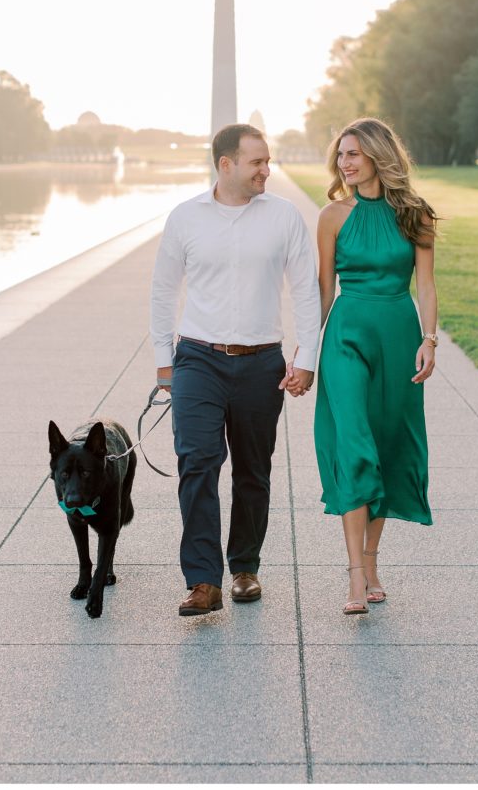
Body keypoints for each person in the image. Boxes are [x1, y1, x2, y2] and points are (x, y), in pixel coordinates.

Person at [150, 123, 321, 616]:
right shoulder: (185, 218)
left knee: (253, 469)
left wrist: (305, 359)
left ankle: (245, 566)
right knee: (198, 462)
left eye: (268, 161)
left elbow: (306, 292)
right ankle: (203, 580)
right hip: (198, 359)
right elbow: (163, 290)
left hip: (261, 361)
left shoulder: (284, 217)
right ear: (226, 165)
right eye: (257, 163)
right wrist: (165, 363)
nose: (267, 170)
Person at [312, 117, 438, 615]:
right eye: (341, 154)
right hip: (346, 335)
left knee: (384, 448)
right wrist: (304, 353)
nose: (344, 162)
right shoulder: (332, 217)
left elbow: (425, 285)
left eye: (354, 154)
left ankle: (372, 561)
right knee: (355, 445)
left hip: (398, 335)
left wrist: (430, 339)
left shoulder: (415, 214)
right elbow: (323, 291)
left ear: (378, 156)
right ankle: (355, 578)